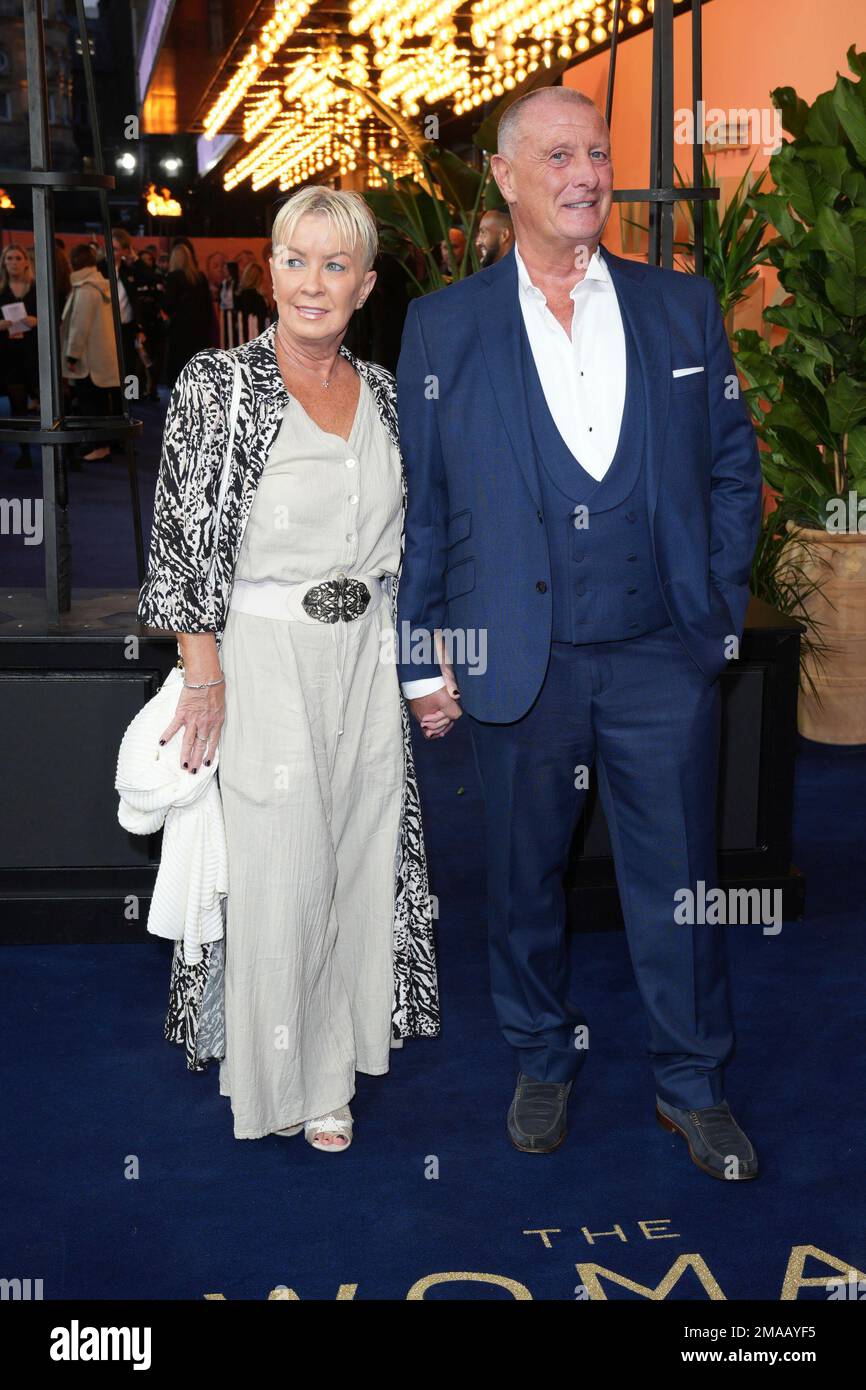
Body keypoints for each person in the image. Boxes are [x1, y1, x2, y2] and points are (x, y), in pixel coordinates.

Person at [395, 87, 763, 1177]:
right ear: (505, 178)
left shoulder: (679, 307)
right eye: (557, 154)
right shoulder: (443, 326)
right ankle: (540, 1060)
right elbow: (425, 508)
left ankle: (691, 1083)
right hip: (519, 661)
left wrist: (707, 608)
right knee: (520, 882)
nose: (585, 172)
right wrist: (424, 655)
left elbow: (732, 470)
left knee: (677, 880)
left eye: (597, 152)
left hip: (660, 655)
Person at [137, 186, 439, 1148]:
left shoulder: (388, 394)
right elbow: (181, 542)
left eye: (336, 264)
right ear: (269, 272)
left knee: (359, 851)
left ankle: (341, 1049)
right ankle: (289, 1079)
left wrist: (427, 660)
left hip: (367, 656)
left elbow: (418, 541)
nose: (314, 282)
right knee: (280, 867)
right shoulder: (217, 385)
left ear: (366, 283)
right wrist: (202, 674)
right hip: (261, 657)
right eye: (297, 261)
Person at [60, 243, 120, 462]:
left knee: (90, 405)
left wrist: (71, 356)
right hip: (102, 355)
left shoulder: (86, 289)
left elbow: (79, 326)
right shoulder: (101, 286)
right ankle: (104, 444)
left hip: (88, 359)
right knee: (101, 404)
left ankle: (97, 445)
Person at [0, 243, 39, 469]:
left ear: (26, 262)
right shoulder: (1, 289)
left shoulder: (36, 288)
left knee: (49, 401)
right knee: (18, 406)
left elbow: (55, 317)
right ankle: (25, 452)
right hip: (9, 354)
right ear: (4, 263)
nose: (13, 262)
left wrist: (38, 321)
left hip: (35, 353)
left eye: (17, 258)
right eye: (9, 258)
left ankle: (64, 451)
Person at [162, 241, 213, 388]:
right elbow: (208, 305)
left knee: (179, 363)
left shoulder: (173, 277)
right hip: (200, 328)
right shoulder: (200, 277)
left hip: (180, 329)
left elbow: (168, 304)